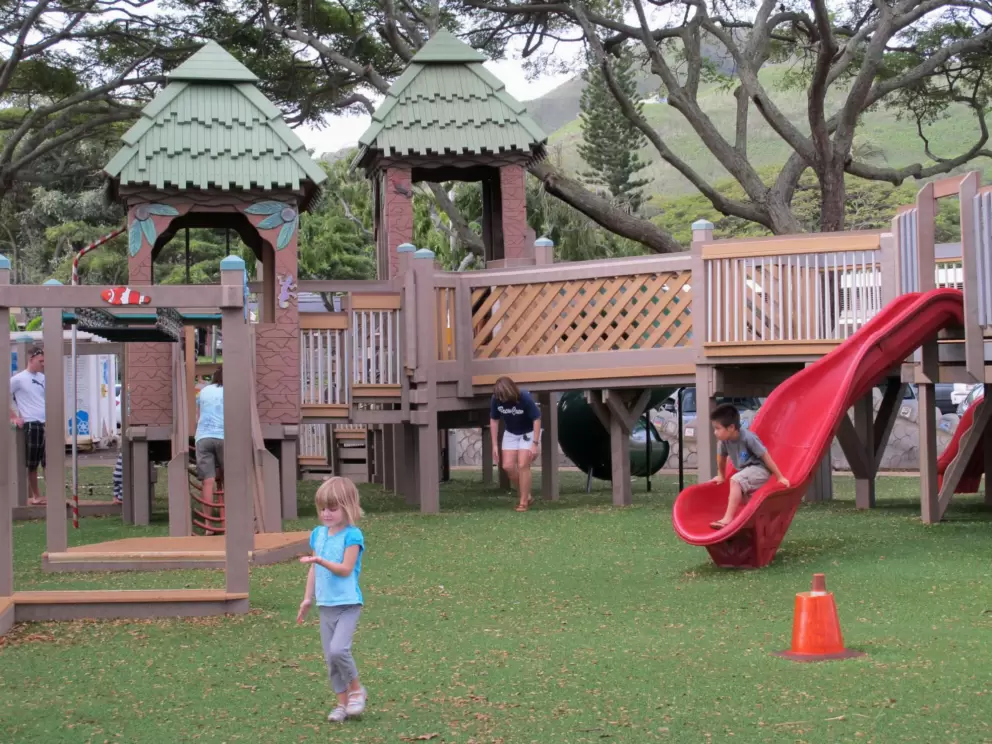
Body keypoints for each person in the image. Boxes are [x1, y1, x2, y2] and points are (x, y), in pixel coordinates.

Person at [297, 477, 368, 723]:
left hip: (347, 604)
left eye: (332, 508)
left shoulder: (353, 536)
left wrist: (320, 561)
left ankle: (357, 690)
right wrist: (307, 599)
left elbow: (346, 569)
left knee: (339, 650)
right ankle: (342, 704)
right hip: (325, 606)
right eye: (323, 508)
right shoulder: (318, 534)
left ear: (347, 507)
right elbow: (313, 572)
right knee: (330, 658)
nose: (326, 513)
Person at [709, 403, 789, 529]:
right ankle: (756, 522)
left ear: (731, 427)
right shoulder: (724, 441)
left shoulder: (748, 438)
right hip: (747, 471)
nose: (715, 432)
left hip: (760, 469)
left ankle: (727, 519)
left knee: (736, 480)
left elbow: (765, 456)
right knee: (746, 498)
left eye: (718, 428)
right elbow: (721, 458)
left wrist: (780, 477)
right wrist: (721, 476)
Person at [489, 376, 541, 512]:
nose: (501, 399)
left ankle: (523, 501)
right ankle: (527, 494)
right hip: (511, 433)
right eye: (498, 396)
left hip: (528, 432)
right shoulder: (496, 399)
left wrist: (535, 444)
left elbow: (536, 419)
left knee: (523, 465)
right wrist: (494, 445)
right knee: (507, 466)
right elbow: (494, 420)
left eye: (503, 396)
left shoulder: (524, 398)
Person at [10, 346, 46, 505]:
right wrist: (13, 417)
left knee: (49, 461)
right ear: (31, 360)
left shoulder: (43, 378)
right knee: (32, 463)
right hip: (31, 424)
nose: (43, 364)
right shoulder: (18, 379)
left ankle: (52, 494)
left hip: (47, 423)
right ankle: (36, 496)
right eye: (41, 361)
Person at [194, 366, 224, 506]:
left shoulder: (204, 391)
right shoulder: (231, 390)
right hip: (224, 436)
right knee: (231, 476)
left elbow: (198, 416)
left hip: (203, 437)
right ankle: (232, 517)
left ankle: (207, 526)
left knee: (207, 481)